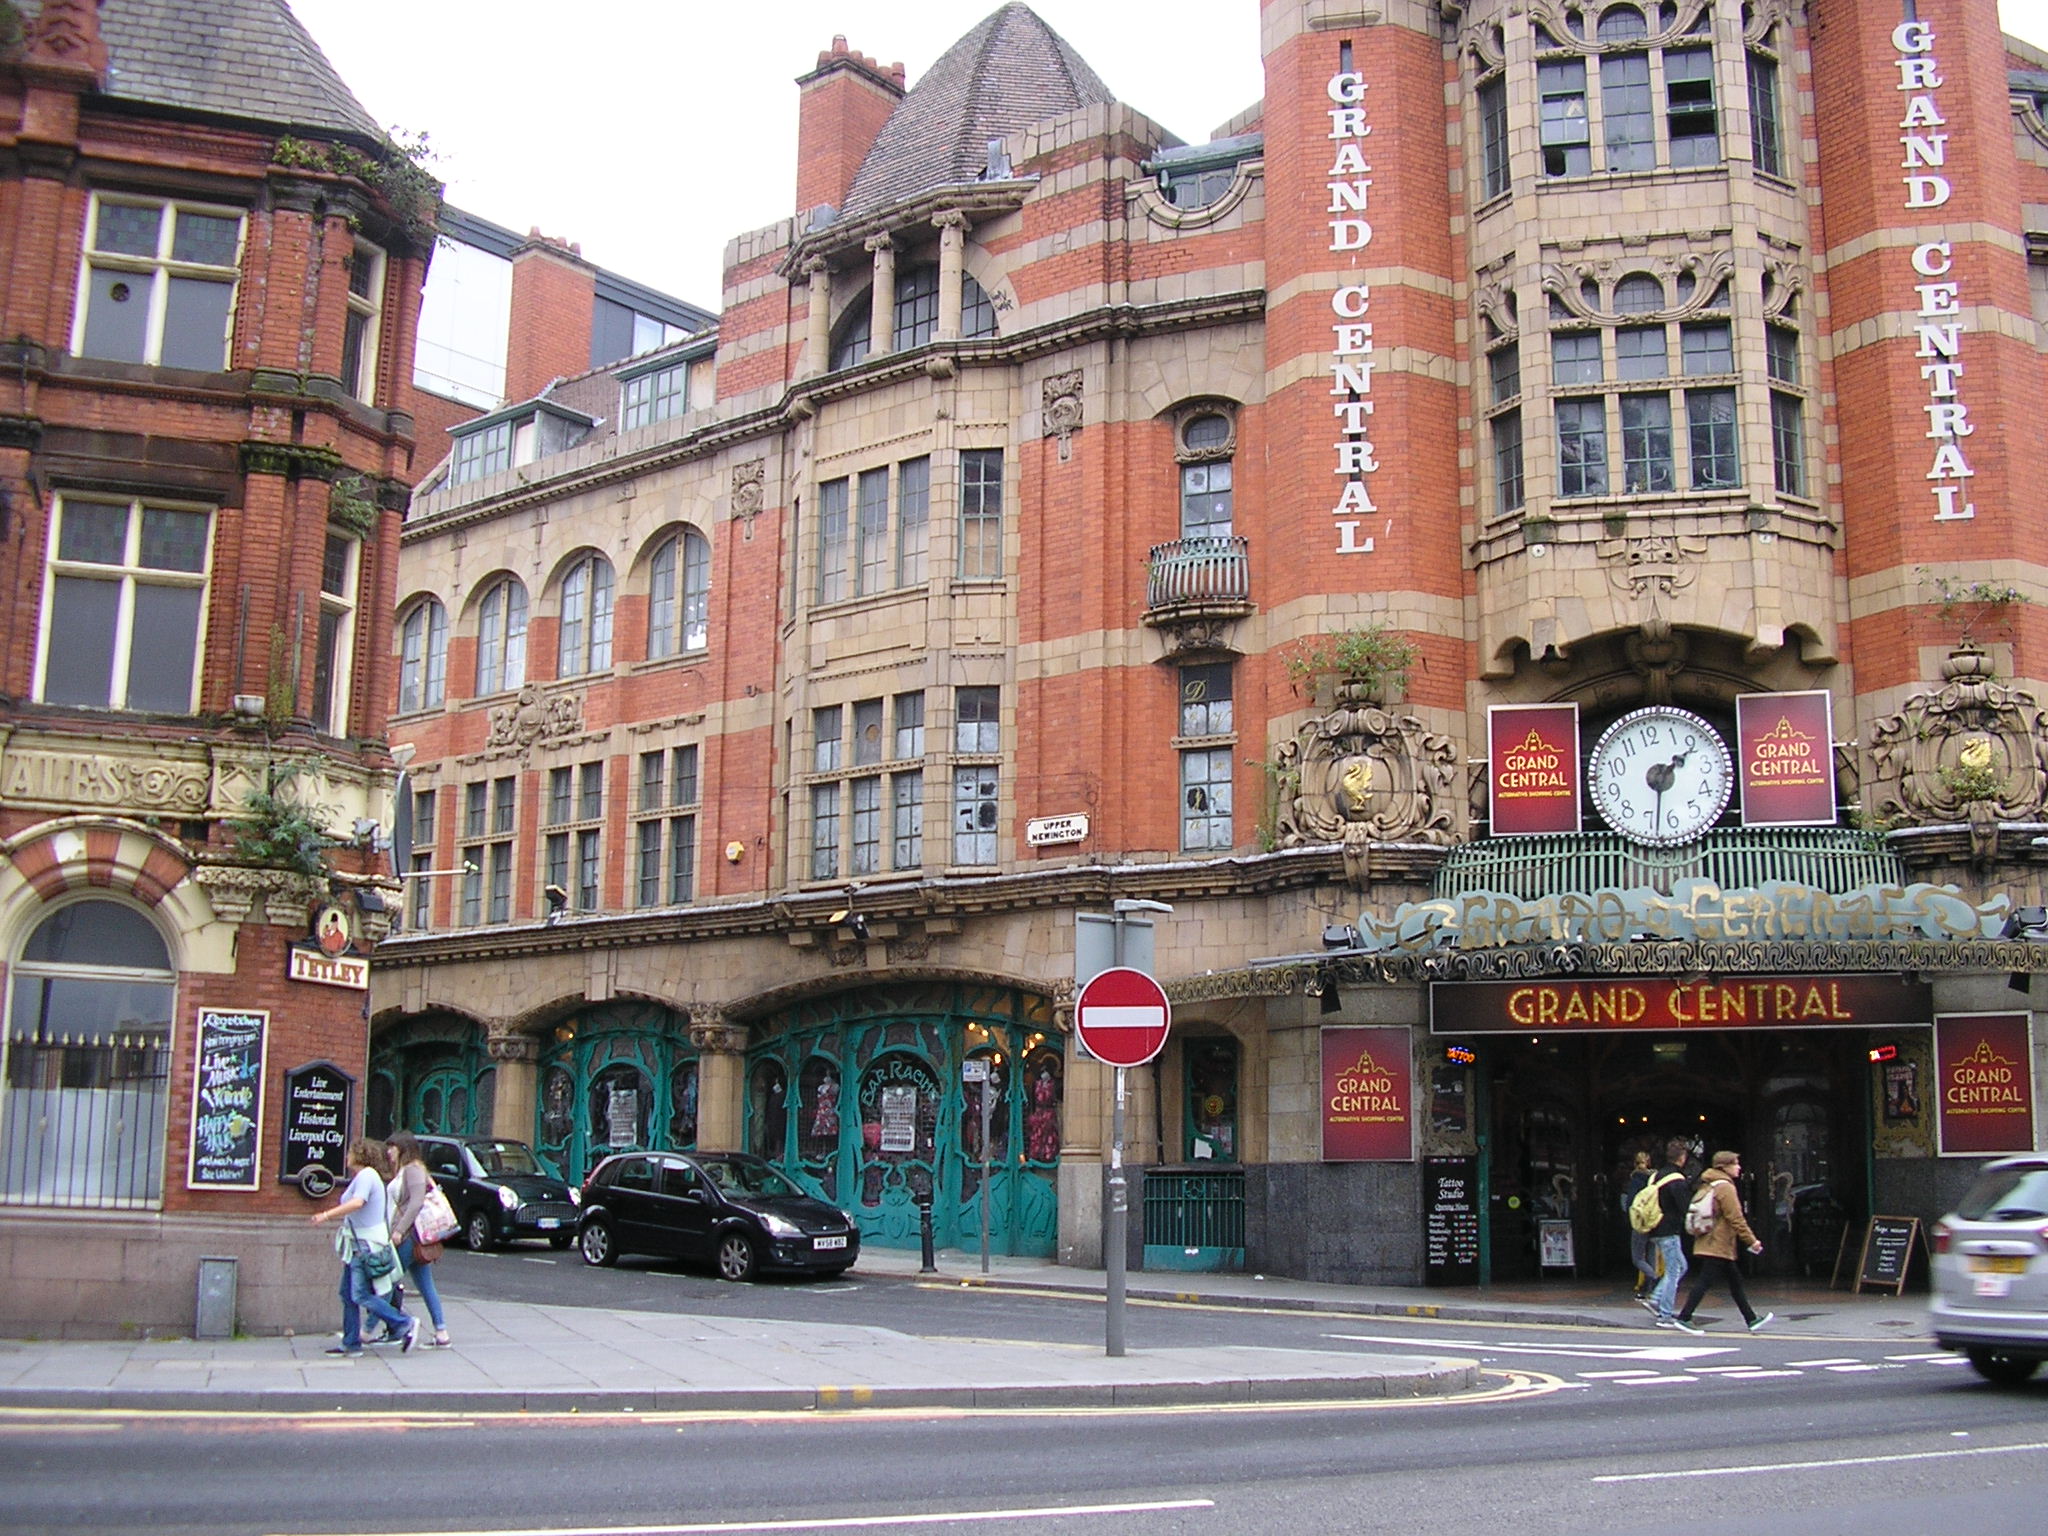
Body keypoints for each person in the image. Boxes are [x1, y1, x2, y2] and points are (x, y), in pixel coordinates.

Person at [311, 1138, 418, 1356]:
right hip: (357, 1245)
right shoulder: (363, 1177)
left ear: (360, 1155)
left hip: (366, 1246)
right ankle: (351, 1343)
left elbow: (357, 1203)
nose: (347, 1156)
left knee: (359, 1294)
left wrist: (326, 1215)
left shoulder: (367, 1176)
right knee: (347, 1294)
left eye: (350, 1152)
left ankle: (403, 1322)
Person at [1670, 1150, 1774, 1335]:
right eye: (1735, 1164)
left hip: (1712, 1242)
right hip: (1718, 1243)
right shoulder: (1725, 1187)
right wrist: (1752, 1241)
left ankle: (1751, 1319)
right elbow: (1736, 1218)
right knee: (1705, 1281)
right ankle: (1684, 1317)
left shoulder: (1708, 1184)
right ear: (1724, 1167)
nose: (1739, 1167)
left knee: (1735, 1282)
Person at [384, 1131, 451, 1348]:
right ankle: (441, 1332)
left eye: (392, 1147)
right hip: (412, 1236)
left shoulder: (413, 1170)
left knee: (387, 1281)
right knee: (425, 1284)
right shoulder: (406, 1170)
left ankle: (375, 1329)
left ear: (403, 1148)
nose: (388, 1152)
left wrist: (399, 1231)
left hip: (410, 1236)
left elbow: (416, 1203)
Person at [1648, 1137, 1694, 1329]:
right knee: (1674, 1271)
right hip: (1669, 1230)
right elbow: (1685, 1207)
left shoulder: (1656, 1176)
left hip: (1654, 1227)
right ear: (1682, 1158)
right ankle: (1665, 1314)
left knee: (1680, 1266)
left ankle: (1656, 1298)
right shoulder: (1677, 1180)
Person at [1620, 1150, 1657, 1304]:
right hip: (1653, 1221)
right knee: (1651, 1255)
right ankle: (1649, 1290)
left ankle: (1656, 1279)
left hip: (1640, 1222)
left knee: (1637, 1258)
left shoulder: (1635, 1180)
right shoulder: (1655, 1179)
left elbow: (1630, 1204)